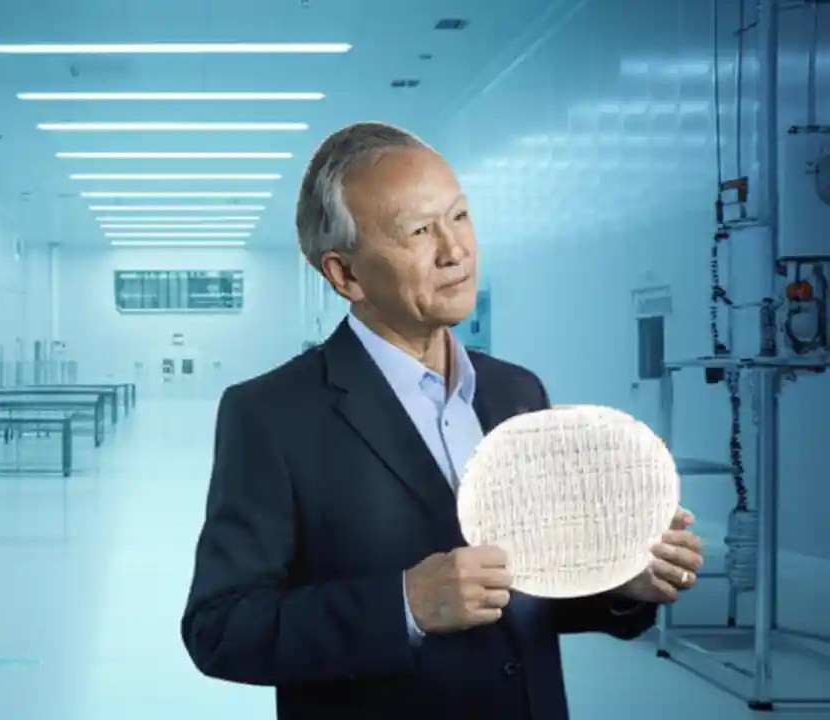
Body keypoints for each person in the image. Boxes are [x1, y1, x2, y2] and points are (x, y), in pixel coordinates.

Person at [180, 122, 705, 719]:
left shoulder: (515, 390)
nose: (455, 251)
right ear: (344, 274)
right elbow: (222, 628)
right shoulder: (272, 415)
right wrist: (404, 605)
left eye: (459, 217)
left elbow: (528, 588)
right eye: (419, 231)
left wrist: (619, 583)